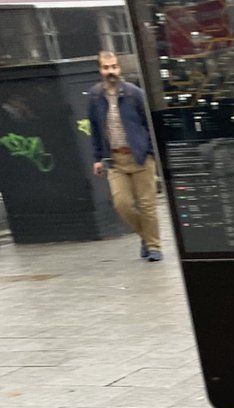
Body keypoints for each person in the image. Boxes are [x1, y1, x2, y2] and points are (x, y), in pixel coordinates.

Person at [88, 51, 162, 261]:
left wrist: (151, 151)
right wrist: (97, 158)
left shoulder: (134, 94)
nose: (110, 71)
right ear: (100, 70)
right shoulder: (95, 96)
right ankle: (146, 237)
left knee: (147, 205)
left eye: (114, 67)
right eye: (106, 68)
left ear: (119, 68)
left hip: (140, 157)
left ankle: (154, 247)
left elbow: (149, 124)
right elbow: (95, 129)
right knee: (122, 204)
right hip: (115, 160)